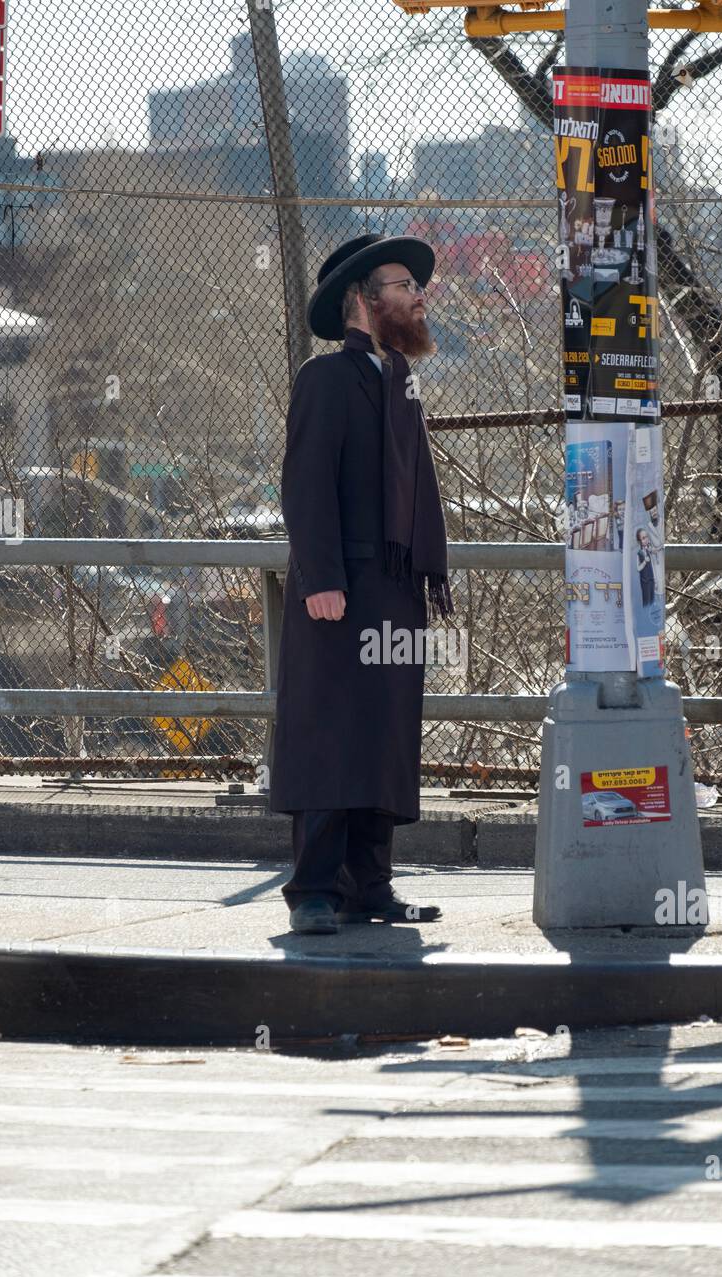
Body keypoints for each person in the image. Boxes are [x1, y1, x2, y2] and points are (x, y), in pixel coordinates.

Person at [269, 234, 453, 935]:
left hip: (397, 588)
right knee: (328, 730)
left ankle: (371, 884)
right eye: (404, 284)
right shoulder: (323, 379)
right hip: (337, 588)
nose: (416, 296)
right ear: (363, 298)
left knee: (382, 736)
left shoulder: (400, 378)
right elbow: (306, 483)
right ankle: (315, 888)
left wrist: (419, 582)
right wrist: (319, 576)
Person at [636, 527, 655, 607]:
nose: (646, 539)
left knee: (652, 600)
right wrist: (644, 562)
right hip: (645, 581)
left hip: (651, 579)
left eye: (646, 536)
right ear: (639, 541)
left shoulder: (648, 550)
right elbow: (638, 568)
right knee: (646, 600)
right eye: (643, 538)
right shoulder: (639, 553)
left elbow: (653, 565)